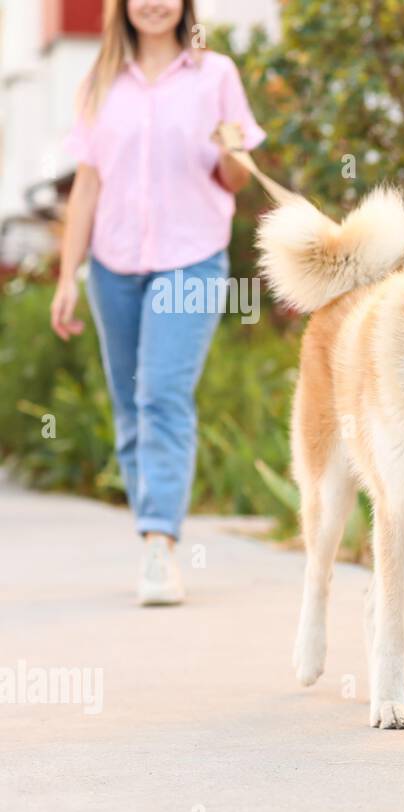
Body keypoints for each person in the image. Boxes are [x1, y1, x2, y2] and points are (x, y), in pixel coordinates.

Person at [50, 0, 265, 605]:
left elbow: (236, 178)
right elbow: (88, 183)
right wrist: (68, 275)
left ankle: (159, 544)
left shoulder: (215, 74)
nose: (152, 4)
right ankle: (152, 529)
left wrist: (229, 150)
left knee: (161, 395)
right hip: (113, 263)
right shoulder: (98, 81)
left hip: (190, 259)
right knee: (129, 402)